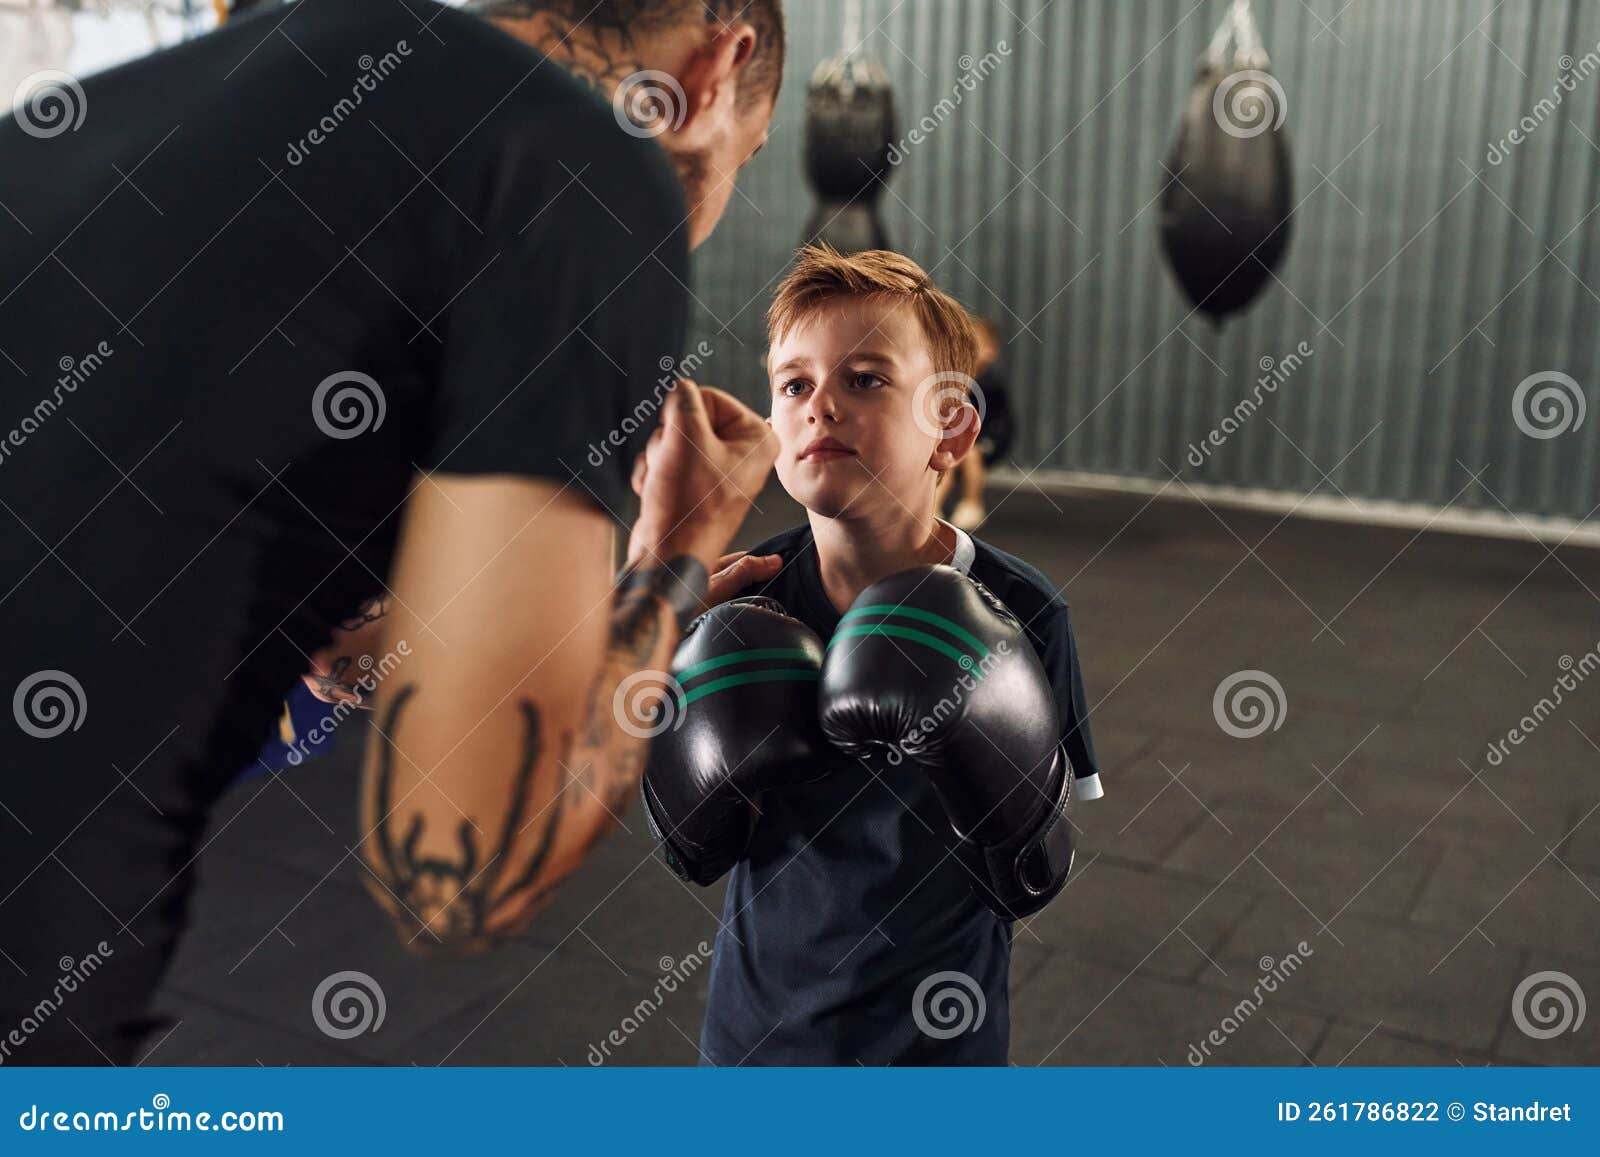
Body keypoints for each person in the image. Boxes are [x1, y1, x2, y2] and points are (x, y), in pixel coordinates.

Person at [0, 0, 784, 1064]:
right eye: (750, 150)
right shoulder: (584, 165)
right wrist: (680, 544)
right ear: (717, 67)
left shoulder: (252, 64)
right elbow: (460, 869)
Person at [638, 246, 1103, 1065]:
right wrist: (673, 689)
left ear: (952, 423)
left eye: (865, 379)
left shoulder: (1025, 611)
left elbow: (1034, 870)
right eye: (795, 383)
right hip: (757, 1038)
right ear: (776, 425)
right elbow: (694, 850)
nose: (821, 406)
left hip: (938, 1050)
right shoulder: (745, 604)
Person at [936, 315, 1013, 531]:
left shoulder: (991, 384)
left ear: (991, 351)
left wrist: (991, 442)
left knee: (971, 455)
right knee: (947, 459)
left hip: (989, 439)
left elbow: (1004, 423)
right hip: (960, 437)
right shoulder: (953, 379)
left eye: (977, 346)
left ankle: (972, 504)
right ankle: (934, 507)